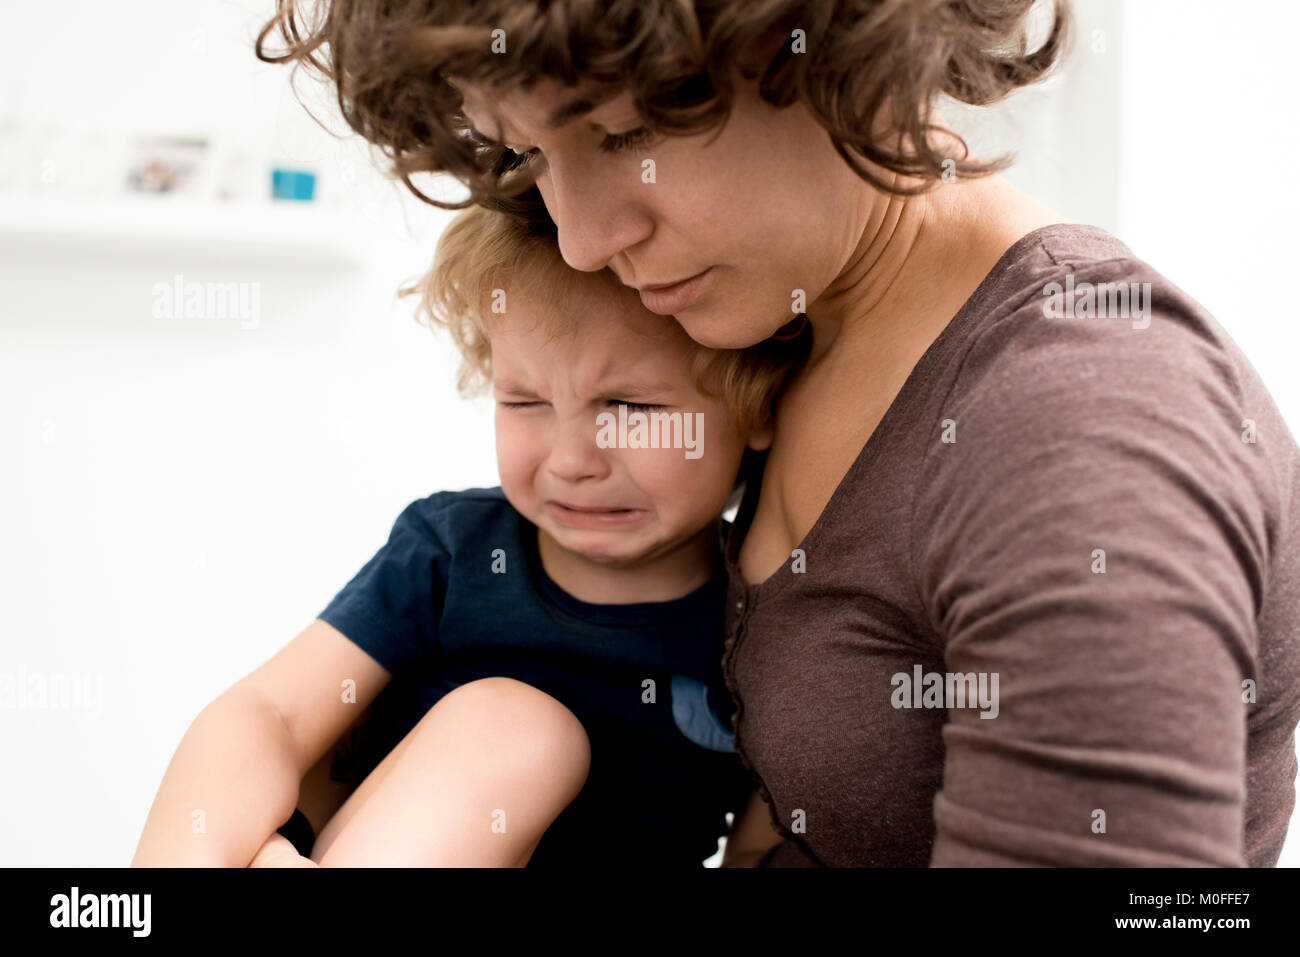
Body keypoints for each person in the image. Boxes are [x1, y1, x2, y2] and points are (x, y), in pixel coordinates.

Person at [256, 0, 1300, 866]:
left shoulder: (1079, 426)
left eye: (626, 135)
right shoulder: (780, 335)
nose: (580, 236)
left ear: (846, 43)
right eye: (531, 150)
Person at [131, 202, 806, 868]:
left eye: (630, 407)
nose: (571, 460)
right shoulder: (454, 552)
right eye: (524, 401)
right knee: (519, 729)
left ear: (757, 403)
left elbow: (761, 844)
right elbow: (267, 713)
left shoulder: (769, 621)